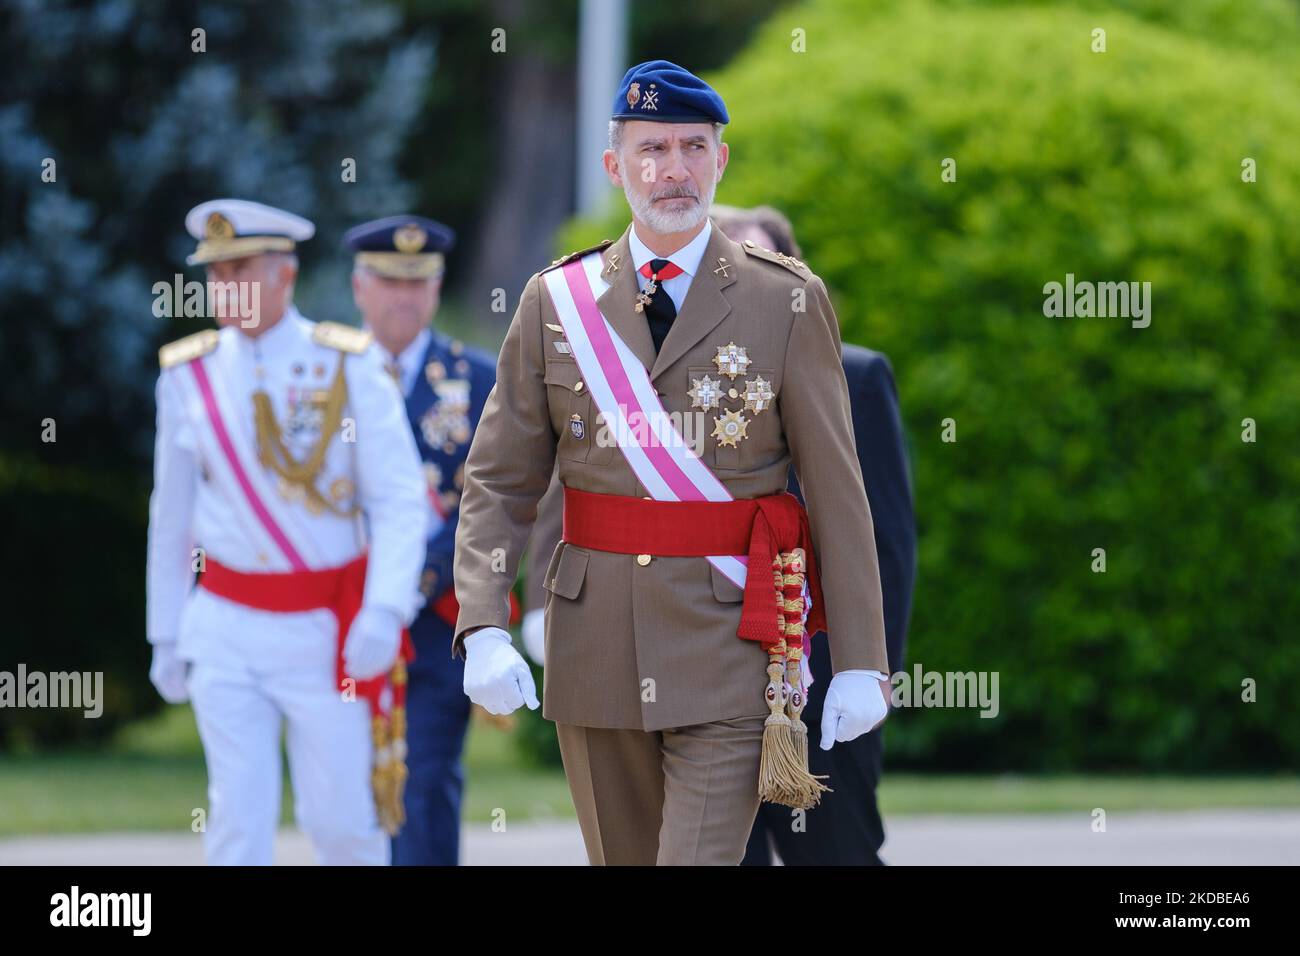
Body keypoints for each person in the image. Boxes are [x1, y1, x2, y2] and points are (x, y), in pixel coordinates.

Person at [451, 60, 893, 865]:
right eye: (652, 149)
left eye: (694, 146)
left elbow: (837, 489)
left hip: (731, 642)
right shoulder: (556, 301)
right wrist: (483, 622)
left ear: (720, 161)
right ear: (616, 167)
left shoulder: (784, 299)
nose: (674, 168)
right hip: (595, 646)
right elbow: (499, 477)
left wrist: (862, 661)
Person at [146, 199, 428, 865]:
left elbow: (398, 502)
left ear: (285, 276)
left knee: (341, 825)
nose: (222, 288)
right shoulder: (186, 375)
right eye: (214, 274)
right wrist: (165, 631)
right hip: (225, 625)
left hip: (323, 629)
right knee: (236, 823)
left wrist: (385, 610)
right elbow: (171, 516)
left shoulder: (347, 364)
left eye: (239, 269)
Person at [714, 205, 916, 865]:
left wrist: (871, 668)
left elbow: (887, 542)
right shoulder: (677, 390)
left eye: (765, 264)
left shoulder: (854, 376)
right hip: (711, 674)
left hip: (825, 666)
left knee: (833, 851)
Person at [344, 214, 497, 866]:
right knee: (345, 785)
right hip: (341, 611)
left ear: (437, 288)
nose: (403, 295)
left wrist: (412, 582)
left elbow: (493, 500)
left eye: (419, 281)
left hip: (436, 620)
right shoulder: (325, 377)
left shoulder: (478, 378)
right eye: (387, 280)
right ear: (358, 287)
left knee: (424, 779)